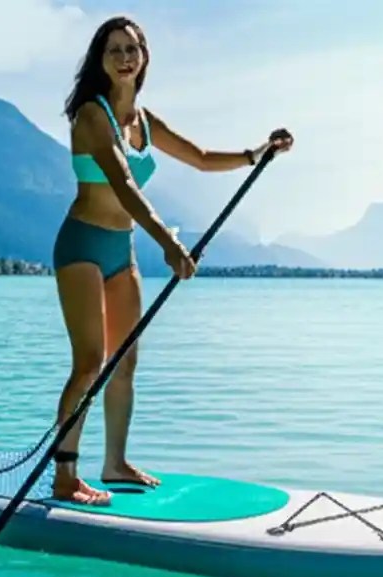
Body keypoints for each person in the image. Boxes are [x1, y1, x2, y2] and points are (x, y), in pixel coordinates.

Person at [50, 15, 295, 505]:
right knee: (89, 364)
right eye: (115, 49)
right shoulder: (92, 117)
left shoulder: (144, 121)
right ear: (101, 58)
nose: (124, 57)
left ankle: (114, 463)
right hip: (81, 246)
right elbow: (123, 185)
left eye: (132, 49)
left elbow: (201, 157)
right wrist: (169, 242)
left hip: (122, 251)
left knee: (125, 363)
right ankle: (64, 477)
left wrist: (256, 153)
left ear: (143, 59)